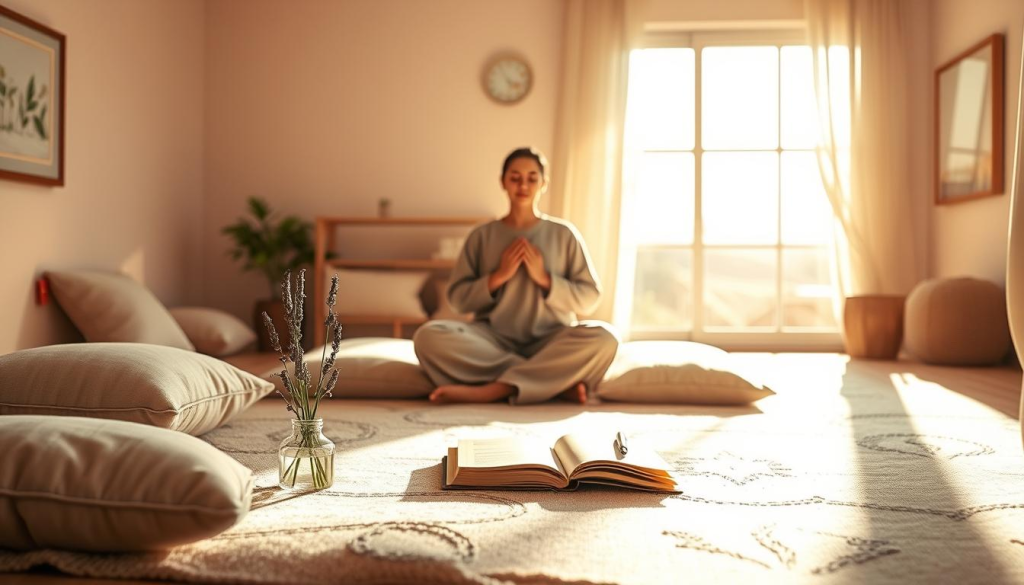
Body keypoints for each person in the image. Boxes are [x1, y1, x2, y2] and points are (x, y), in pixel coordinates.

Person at [413, 147, 619, 404]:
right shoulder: (481, 235)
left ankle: (496, 389)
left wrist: (544, 279)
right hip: (492, 340)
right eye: (515, 177)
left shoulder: (564, 234)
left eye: (532, 178)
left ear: (544, 183)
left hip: (551, 340)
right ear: (503, 182)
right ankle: (552, 382)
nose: (523, 185)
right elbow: (458, 300)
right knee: (427, 337)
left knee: (605, 338)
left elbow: (589, 298)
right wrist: (498, 276)